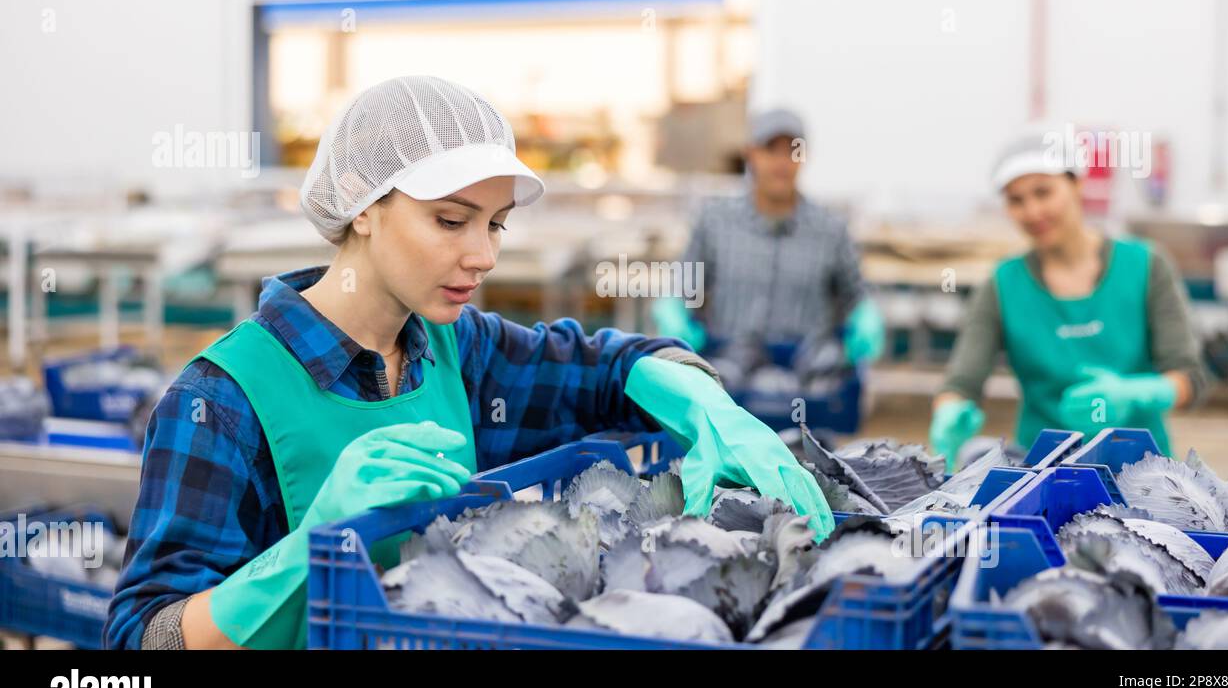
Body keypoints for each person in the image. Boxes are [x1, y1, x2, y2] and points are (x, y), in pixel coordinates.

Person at [105, 76, 833, 650]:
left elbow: (607, 369)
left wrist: (710, 408)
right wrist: (305, 551)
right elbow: (143, 643)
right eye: (451, 221)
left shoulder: (459, 351)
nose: (482, 256)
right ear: (362, 206)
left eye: (495, 225)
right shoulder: (221, 402)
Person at [928, 127, 1206, 470]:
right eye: (1016, 200)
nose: (1032, 211)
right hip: (1041, 472)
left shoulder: (1146, 266)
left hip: (1144, 473)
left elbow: (1189, 378)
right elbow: (962, 382)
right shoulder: (1003, 285)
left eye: (1043, 192)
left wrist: (1137, 393)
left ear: (1077, 184)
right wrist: (949, 412)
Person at [652, 108, 884, 363]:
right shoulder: (715, 222)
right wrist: (674, 310)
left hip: (809, 373)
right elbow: (685, 286)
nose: (781, 162)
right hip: (730, 370)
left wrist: (866, 317)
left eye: (792, 151)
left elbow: (857, 295)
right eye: (771, 149)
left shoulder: (831, 230)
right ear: (751, 153)